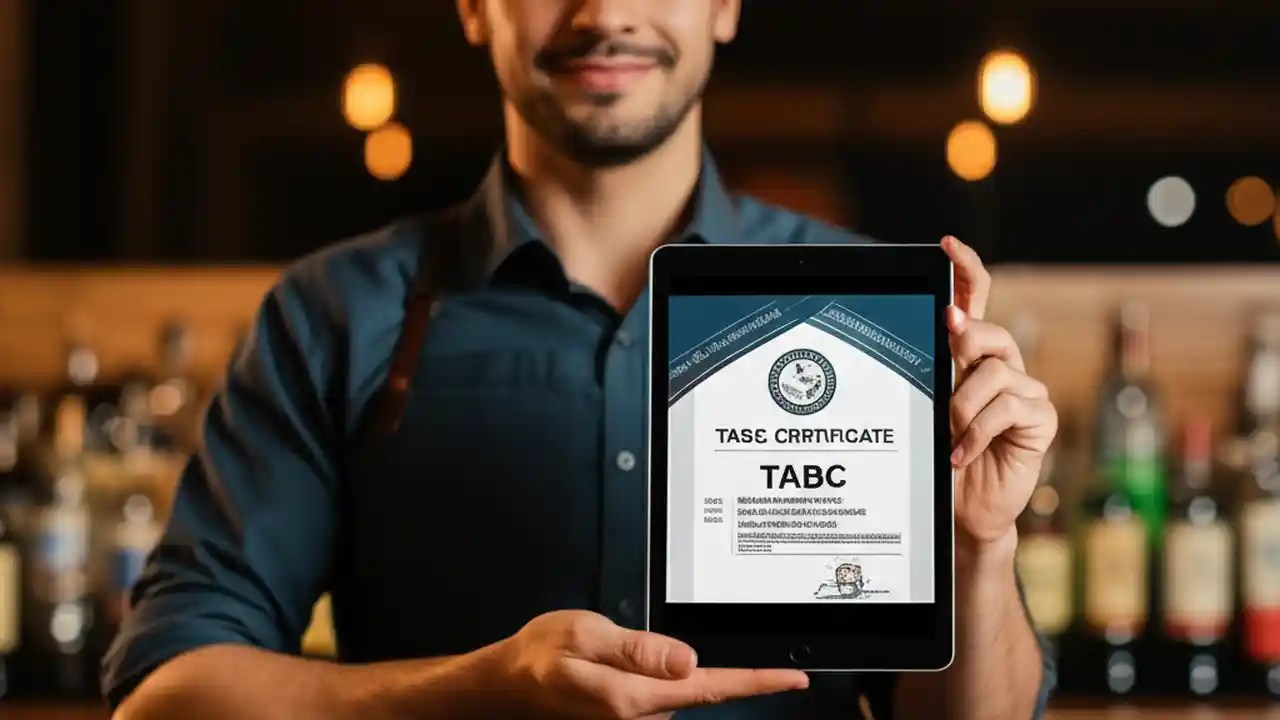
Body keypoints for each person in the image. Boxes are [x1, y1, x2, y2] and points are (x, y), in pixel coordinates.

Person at [105, 1, 1059, 718]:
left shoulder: (870, 313)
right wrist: (469, 691)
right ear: (475, 6)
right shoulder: (338, 313)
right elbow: (165, 693)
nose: (604, 14)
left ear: (726, 3)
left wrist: (979, 546)